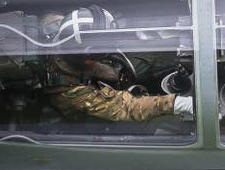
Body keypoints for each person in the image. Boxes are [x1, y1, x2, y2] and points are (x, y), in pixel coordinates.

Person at [39, 8, 194, 122]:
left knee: (154, 51)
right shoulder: (72, 94)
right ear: (90, 58)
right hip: (97, 116)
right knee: (166, 123)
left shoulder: (57, 24)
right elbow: (127, 108)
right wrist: (175, 103)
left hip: (103, 72)